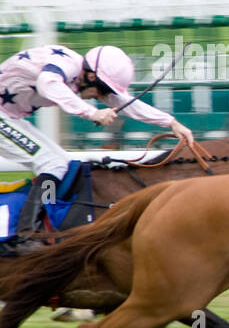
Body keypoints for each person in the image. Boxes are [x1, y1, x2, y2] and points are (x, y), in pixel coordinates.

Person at [0, 43, 195, 247]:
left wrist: (171, 122)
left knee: (63, 164)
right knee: (52, 163)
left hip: (9, 116)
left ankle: (38, 222)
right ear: (92, 76)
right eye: (103, 90)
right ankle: (25, 234)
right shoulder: (66, 63)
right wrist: (91, 112)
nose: (101, 97)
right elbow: (46, 83)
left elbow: (123, 102)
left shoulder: (85, 75)